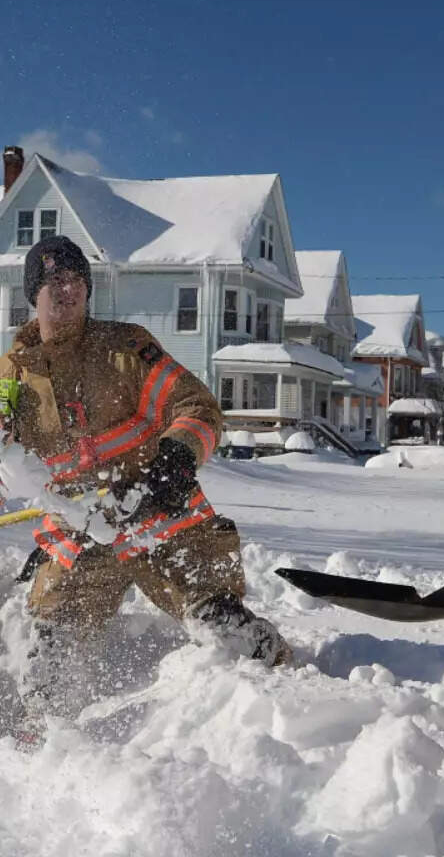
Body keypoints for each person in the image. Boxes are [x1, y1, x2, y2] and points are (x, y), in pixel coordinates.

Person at [0, 236, 291, 731]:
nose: (65, 290)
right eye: (52, 282)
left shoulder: (125, 349)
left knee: (226, 632)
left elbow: (196, 408)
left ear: (88, 291)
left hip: (162, 517)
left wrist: (175, 460)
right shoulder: (11, 377)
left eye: (74, 280)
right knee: (47, 656)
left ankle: (295, 696)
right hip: (79, 536)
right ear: (33, 293)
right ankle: (40, 757)